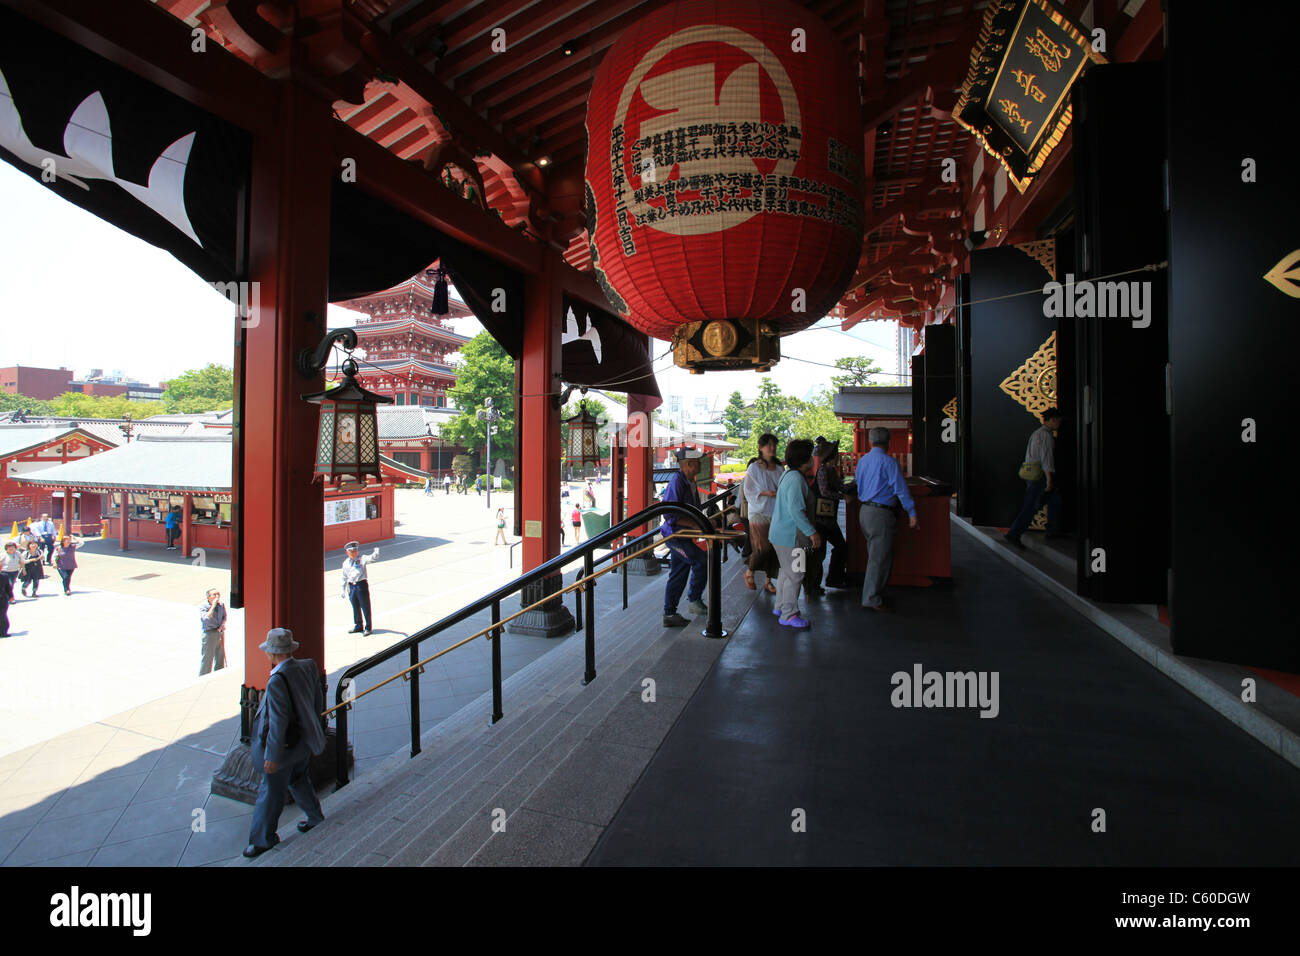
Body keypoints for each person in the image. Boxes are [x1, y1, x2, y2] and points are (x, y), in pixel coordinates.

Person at [243, 627, 326, 858]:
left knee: (270, 792)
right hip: (302, 743)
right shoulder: (308, 666)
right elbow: (317, 701)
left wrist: (271, 755)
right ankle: (315, 817)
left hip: (283, 750)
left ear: (273, 653)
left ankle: (262, 840)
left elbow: (277, 722)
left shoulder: (277, 680)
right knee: (299, 779)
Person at [854, 427, 917, 612]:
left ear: (870, 442)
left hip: (865, 511)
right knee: (879, 558)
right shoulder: (890, 463)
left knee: (875, 555)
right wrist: (912, 512)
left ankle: (874, 593)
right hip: (881, 514)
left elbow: (859, 484)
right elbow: (900, 489)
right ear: (888, 442)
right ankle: (872, 598)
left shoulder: (863, 461)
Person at [769, 439, 823, 629]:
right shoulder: (796, 479)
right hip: (793, 537)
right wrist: (812, 533)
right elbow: (796, 510)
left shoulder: (788, 475)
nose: (814, 459)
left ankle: (780, 606)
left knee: (786, 572)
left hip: (781, 535)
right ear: (805, 459)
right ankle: (789, 614)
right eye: (811, 455)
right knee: (796, 574)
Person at [660, 447, 710, 627]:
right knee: (701, 560)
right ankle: (694, 600)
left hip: (684, 535)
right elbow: (669, 513)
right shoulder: (678, 481)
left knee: (679, 572)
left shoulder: (690, 481)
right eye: (697, 461)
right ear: (689, 464)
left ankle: (670, 614)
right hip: (675, 536)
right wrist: (694, 525)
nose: (700, 463)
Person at [1004, 407, 1064, 548]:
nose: (1059, 424)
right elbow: (1046, 458)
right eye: (1058, 421)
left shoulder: (1037, 433)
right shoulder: (1046, 436)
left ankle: (1052, 529)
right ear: (1052, 420)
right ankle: (1014, 533)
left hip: (1032, 473)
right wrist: (1049, 478)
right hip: (1040, 476)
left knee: (1054, 500)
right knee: (1031, 506)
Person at [741, 434, 782, 594]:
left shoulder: (779, 468)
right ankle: (750, 571)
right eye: (768, 445)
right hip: (759, 511)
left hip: (775, 511)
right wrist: (766, 493)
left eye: (773, 445)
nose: (771, 448)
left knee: (774, 547)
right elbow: (748, 490)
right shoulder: (754, 467)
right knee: (762, 548)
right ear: (760, 448)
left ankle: (768, 580)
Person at [808, 437, 849, 592]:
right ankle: (824, 581)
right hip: (822, 518)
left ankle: (821, 582)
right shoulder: (825, 470)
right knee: (825, 550)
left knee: (827, 550)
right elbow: (825, 492)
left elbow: (840, 486)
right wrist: (843, 497)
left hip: (826, 517)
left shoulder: (829, 470)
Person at [341, 541, 378, 634]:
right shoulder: (345, 563)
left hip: (361, 585)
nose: (354, 553)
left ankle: (368, 627)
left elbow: (372, 558)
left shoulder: (362, 558)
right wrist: (342, 589)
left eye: (355, 551)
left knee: (365, 606)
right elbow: (344, 577)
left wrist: (376, 553)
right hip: (352, 587)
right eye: (352, 551)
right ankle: (358, 625)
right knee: (355, 607)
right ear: (347, 552)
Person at [200, 587, 228, 675]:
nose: (217, 596)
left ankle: (219, 673)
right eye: (214, 595)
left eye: (218, 594)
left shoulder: (221, 605)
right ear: (209, 597)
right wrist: (213, 606)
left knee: (220, 656)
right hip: (209, 634)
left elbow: (224, 617)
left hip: (219, 632)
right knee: (208, 657)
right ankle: (204, 675)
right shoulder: (204, 607)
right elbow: (206, 618)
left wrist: (222, 625)